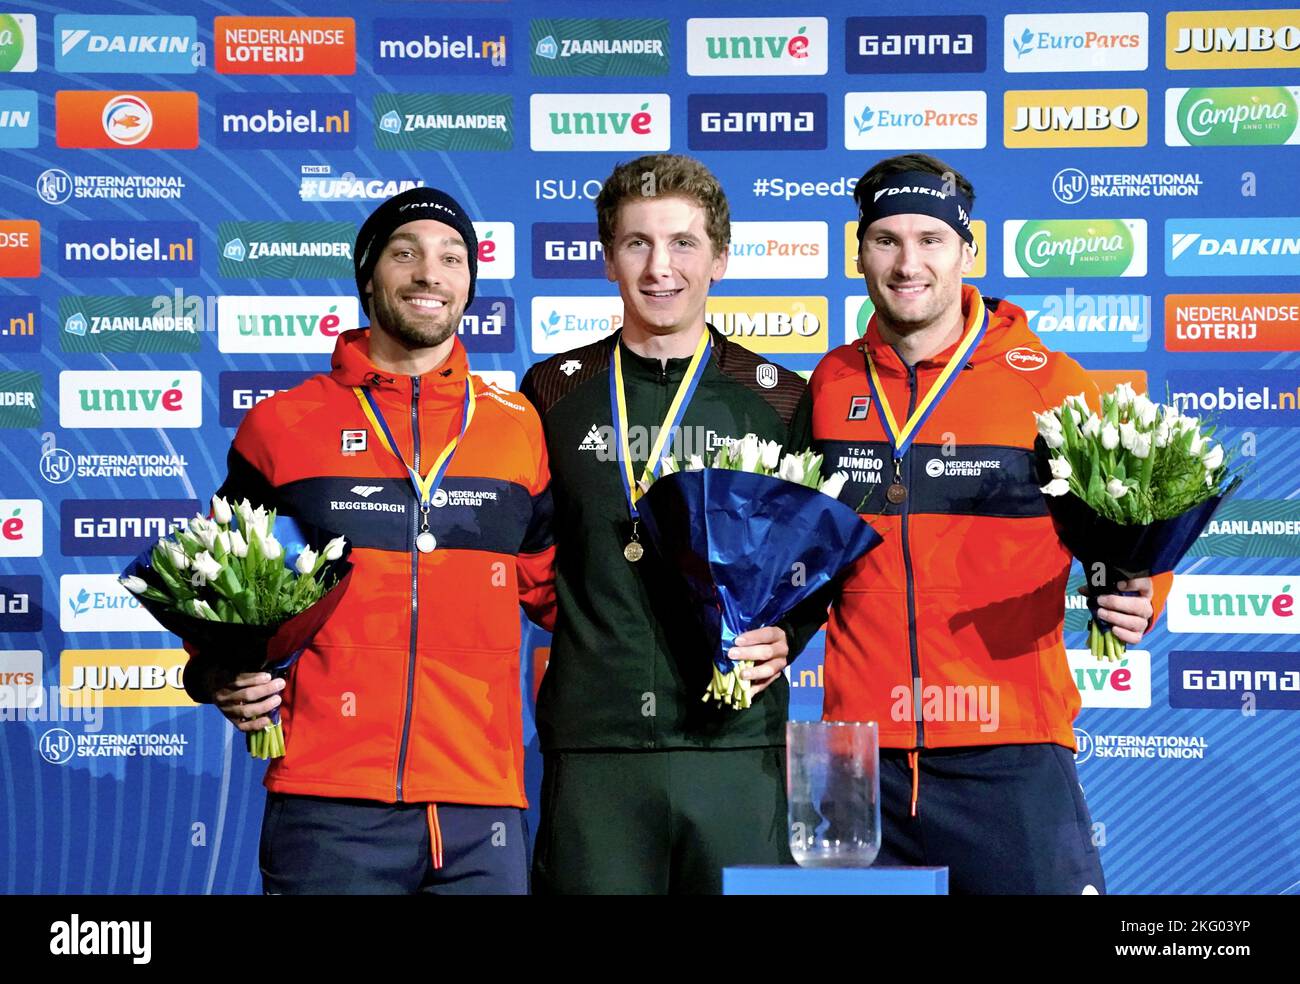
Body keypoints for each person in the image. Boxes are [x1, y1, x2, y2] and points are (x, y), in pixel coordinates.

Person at [804, 153, 1171, 894]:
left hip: (1010, 749)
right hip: (861, 758)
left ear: (967, 249)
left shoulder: (1047, 380)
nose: (908, 263)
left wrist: (1142, 587)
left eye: (930, 240)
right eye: (886, 240)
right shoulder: (831, 381)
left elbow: (1128, 532)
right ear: (860, 252)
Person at [183, 188, 556, 894]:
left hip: (483, 810)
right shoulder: (280, 427)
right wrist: (219, 676)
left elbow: (560, 595)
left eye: (451, 257)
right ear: (368, 274)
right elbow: (217, 591)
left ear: (470, 282)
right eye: (405, 253)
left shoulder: (518, 427)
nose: (429, 274)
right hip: (327, 802)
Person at [520, 154, 822, 894]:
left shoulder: (778, 399)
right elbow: (527, 552)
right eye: (637, 243)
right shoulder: (552, 393)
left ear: (719, 259)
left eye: (684, 243)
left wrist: (793, 630)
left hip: (736, 746)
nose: (661, 268)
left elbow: (813, 558)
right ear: (607, 259)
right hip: (596, 750)